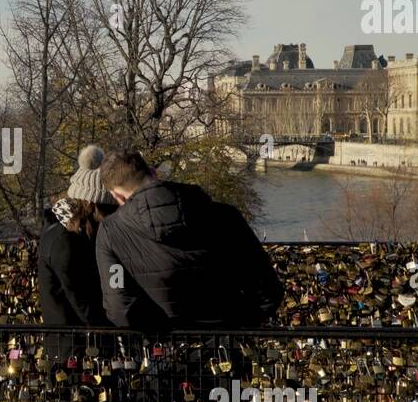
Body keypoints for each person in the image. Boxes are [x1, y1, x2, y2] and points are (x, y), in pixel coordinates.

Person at [95, 149, 283, 330]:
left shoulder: (111, 233)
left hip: (165, 349)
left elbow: (119, 307)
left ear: (117, 196)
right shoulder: (225, 216)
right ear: (154, 173)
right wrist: (235, 324)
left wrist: (160, 333)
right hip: (226, 343)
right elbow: (267, 288)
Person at [38, 145, 117, 362]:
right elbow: (84, 302)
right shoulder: (67, 243)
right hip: (77, 350)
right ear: (92, 205)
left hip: (69, 347)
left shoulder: (60, 234)